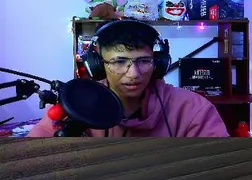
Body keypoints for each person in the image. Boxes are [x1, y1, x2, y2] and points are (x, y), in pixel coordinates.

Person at [25, 19, 229, 138]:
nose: (134, 74)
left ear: (158, 63)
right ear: (98, 65)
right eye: (119, 61)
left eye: (144, 61)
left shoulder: (194, 109)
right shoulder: (76, 104)